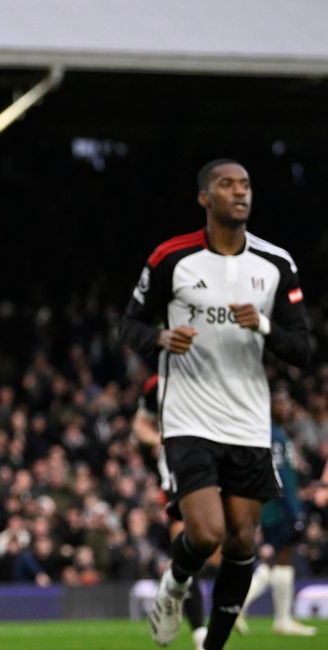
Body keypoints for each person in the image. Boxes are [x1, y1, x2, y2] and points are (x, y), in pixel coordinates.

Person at [120, 158, 312, 650]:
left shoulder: (275, 264)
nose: (239, 192)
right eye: (227, 185)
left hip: (248, 422)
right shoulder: (171, 257)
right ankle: (173, 587)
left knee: (242, 542)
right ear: (205, 197)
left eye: (245, 184)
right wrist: (161, 336)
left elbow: (303, 349)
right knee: (205, 536)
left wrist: (264, 327)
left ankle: (212, 646)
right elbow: (130, 327)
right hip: (187, 416)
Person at [132, 375, 208, 650]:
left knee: (214, 545)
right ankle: (200, 632)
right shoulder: (157, 383)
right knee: (190, 543)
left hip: (217, 462)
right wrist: (160, 439)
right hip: (179, 469)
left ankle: (171, 588)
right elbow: (140, 425)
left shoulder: (218, 374)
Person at [235, 391, 317, 637]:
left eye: (287, 402)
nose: (286, 407)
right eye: (281, 403)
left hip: (276, 504)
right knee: (277, 559)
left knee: (281, 559)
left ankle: (281, 618)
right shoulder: (273, 435)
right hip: (280, 506)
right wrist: (293, 508)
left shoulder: (274, 433)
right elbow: (278, 474)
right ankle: (243, 608)